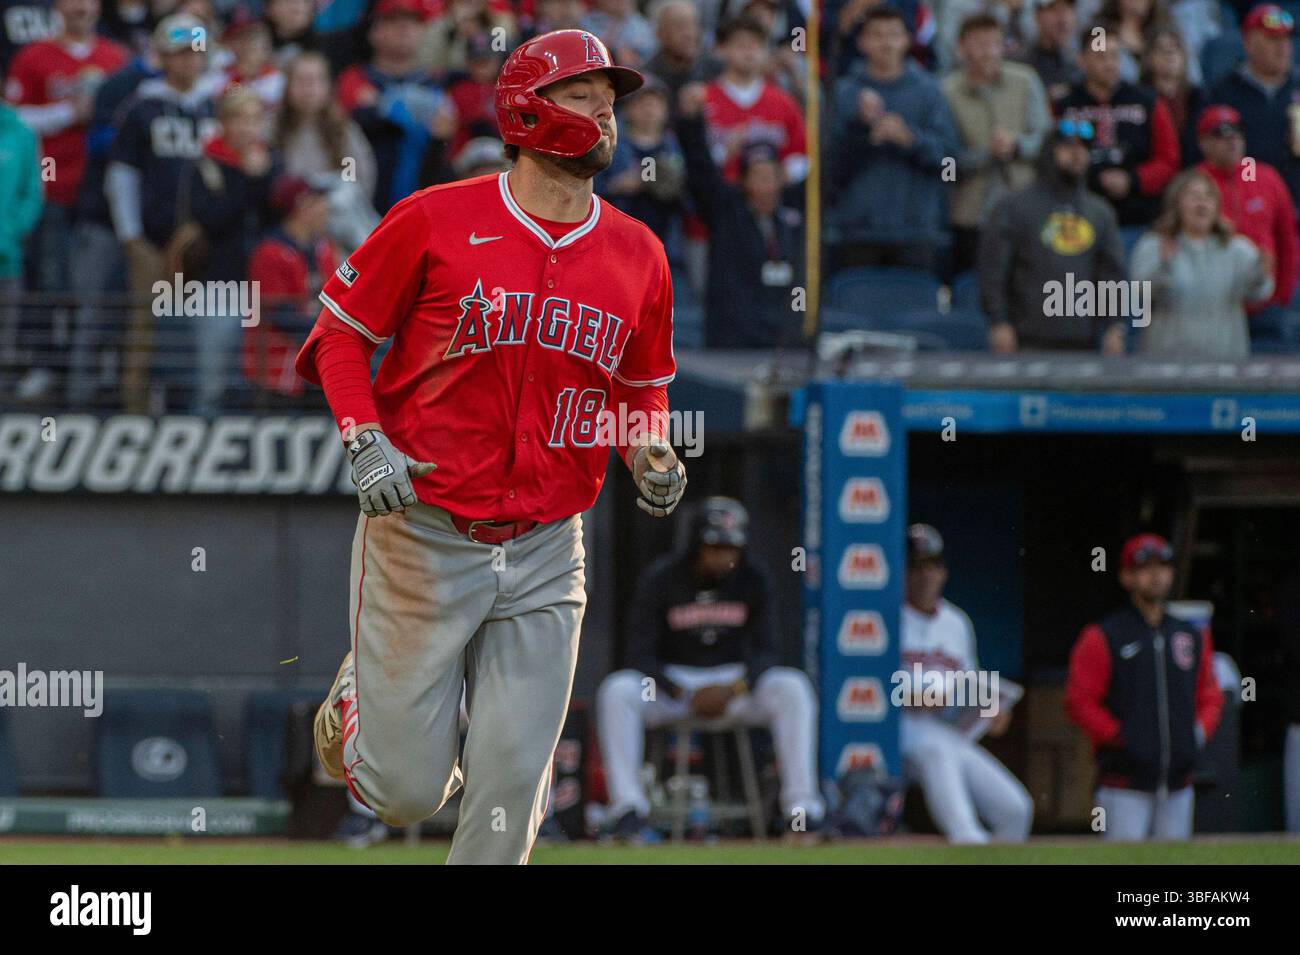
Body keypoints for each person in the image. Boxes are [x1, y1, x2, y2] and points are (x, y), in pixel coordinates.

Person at [297, 29, 687, 866]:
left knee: (512, 785)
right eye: (582, 96)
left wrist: (647, 446)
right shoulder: (434, 217)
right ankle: (358, 699)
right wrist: (365, 439)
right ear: (526, 111)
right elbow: (340, 334)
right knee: (406, 789)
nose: (605, 114)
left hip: (550, 542)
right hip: (425, 530)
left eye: (610, 102)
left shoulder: (639, 252)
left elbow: (640, 387)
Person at [596, 497, 824, 838]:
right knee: (618, 690)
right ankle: (627, 810)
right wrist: (681, 691)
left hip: (734, 687)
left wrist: (733, 689)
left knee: (792, 687)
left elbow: (767, 653)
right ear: (695, 545)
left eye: (731, 548)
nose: (724, 556)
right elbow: (639, 655)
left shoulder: (754, 578)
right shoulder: (662, 578)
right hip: (675, 686)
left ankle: (802, 810)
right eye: (715, 547)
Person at [5, 0, 128, 397]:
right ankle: (45, 363)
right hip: (51, 182)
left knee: (98, 285)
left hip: (102, 193)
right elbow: (15, 119)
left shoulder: (115, 56)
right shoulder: (33, 56)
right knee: (50, 279)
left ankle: (96, 365)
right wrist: (67, 112)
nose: (81, 7)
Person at [1065, 533, 1224, 841]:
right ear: (1126, 576)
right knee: (1124, 862)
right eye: (1144, 568)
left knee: (1173, 865)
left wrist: (1196, 734)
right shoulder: (1105, 634)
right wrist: (1121, 737)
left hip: (1178, 781)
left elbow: (1210, 694)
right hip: (1124, 782)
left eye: (1162, 566)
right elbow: (1079, 702)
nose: (1155, 575)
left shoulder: (1189, 634)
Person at [105, 12, 218, 412]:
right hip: (152, 239)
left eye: (196, 52)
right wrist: (131, 235)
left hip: (204, 242)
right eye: (181, 53)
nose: (190, 61)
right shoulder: (143, 107)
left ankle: (193, 414)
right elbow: (122, 174)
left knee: (198, 330)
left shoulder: (214, 106)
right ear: (163, 56)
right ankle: (135, 413)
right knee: (145, 329)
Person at [899, 523, 1033, 844]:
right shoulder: (887, 617)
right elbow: (868, 687)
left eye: (932, 566)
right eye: (916, 567)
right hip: (902, 727)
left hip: (948, 730)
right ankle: (967, 839)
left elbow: (970, 682)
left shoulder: (956, 622)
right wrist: (914, 697)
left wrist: (992, 711)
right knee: (937, 752)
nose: (925, 575)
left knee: (1016, 809)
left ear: (943, 572)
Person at [826, 5, 959, 273]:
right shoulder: (844, 93)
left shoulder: (929, 91)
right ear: (862, 42)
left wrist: (910, 139)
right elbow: (828, 169)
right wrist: (860, 130)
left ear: (907, 41)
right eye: (877, 35)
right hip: (856, 232)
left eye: (893, 35)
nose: (886, 43)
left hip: (916, 232)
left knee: (917, 299)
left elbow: (951, 166)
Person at [979, 118, 1128, 351]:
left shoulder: (1100, 212)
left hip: (1084, 342)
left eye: (1084, 147)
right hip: (1025, 341)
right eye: (1068, 146)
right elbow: (993, 271)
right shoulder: (1014, 207)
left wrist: (1114, 326)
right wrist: (999, 322)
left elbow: (1113, 275)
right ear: (1049, 152)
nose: (1078, 154)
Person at [676, 80, 803, 348]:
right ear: (743, 181)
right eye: (758, 176)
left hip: (781, 344)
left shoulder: (791, 221)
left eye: (771, 176)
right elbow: (700, 171)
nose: (766, 185)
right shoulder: (725, 211)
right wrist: (692, 122)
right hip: (732, 344)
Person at [185, 85, 277, 415]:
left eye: (254, 119)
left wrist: (262, 177)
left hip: (265, 287)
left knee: (255, 379)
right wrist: (247, 179)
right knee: (213, 382)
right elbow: (213, 220)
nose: (247, 127)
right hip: (219, 285)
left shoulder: (272, 162)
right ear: (223, 123)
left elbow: (278, 219)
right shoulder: (205, 165)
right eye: (239, 119)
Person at [942, 13, 1051, 276]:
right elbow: (945, 164)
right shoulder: (946, 91)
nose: (988, 52)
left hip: (1026, 207)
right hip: (970, 214)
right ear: (961, 47)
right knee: (974, 284)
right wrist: (984, 154)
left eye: (994, 43)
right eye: (979, 44)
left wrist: (1017, 145)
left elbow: (1047, 140)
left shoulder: (1025, 80)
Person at [1130, 168, 1273, 358]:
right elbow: (1140, 292)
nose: (1202, 202)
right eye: (1193, 196)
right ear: (1176, 203)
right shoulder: (1155, 245)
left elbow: (1259, 293)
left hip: (1225, 360)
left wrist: (1260, 274)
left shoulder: (1238, 249)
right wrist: (1164, 267)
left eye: (1208, 196)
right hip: (1167, 361)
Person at [1057, 22, 1180, 225]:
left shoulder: (1147, 101)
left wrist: (1132, 180)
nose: (1109, 64)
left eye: (1114, 56)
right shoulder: (1065, 105)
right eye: (1101, 57)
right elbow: (1054, 157)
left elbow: (1169, 159)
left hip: (1140, 216)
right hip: (1079, 214)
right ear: (1081, 61)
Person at [336, 0, 452, 212]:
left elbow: (446, 140)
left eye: (414, 22)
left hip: (423, 203)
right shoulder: (354, 79)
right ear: (373, 32)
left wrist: (382, 105)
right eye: (393, 21)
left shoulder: (437, 83)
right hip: (364, 205)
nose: (405, 28)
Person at [243, 174, 338, 404]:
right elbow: (280, 314)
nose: (326, 208)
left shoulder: (323, 249)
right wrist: (330, 334)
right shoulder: (270, 253)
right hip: (278, 375)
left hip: (317, 367)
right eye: (318, 201)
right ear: (301, 207)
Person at [1194, 104, 1297, 313]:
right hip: (1215, 305)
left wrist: (1282, 295)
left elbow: (1287, 239)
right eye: (1220, 134)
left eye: (1237, 131)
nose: (1232, 139)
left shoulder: (1265, 177)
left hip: (1267, 300)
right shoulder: (1194, 183)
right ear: (1204, 142)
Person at [274, 50, 378, 253]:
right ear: (288, 87)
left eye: (316, 81)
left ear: (327, 86)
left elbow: (357, 178)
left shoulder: (343, 131)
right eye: (302, 81)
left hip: (338, 229)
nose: (309, 89)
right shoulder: (274, 131)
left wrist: (328, 202)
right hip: (291, 228)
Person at [1206, 4, 1300, 213]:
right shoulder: (1225, 92)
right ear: (1248, 42)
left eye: (1286, 39)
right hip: (1248, 204)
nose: (1283, 47)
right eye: (1273, 39)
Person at [703, 14, 807, 186]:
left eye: (756, 45)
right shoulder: (704, 99)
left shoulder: (783, 101)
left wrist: (782, 176)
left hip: (771, 196)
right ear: (722, 49)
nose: (749, 52)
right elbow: (691, 160)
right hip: (717, 193)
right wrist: (722, 154)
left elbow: (800, 154)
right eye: (741, 45)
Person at [596, 75, 686, 242]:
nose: (649, 110)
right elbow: (591, 190)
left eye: (655, 103)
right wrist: (616, 186)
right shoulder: (609, 143)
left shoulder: (672, 144)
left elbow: (685, 196)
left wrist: (665, 181)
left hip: (663, 234)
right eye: (642, 103)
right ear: (628, 109)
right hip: (618, 232)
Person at [0, 98, 43, 379]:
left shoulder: (21, 133)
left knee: (5, 342)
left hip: (7, 257)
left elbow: (33, 192)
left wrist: (11, 232)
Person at [641, 0, 722, 121]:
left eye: (692, 25)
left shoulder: (717, 68)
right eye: (679, 26)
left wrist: (711, 95)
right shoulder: (647, 77)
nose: (688, 34)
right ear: (660, 33)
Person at [1142, 26, 1204, 166]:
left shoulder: (1198, 98)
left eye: (1175, 48)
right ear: (1149, 58)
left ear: (1184, 57)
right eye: (1161, 49)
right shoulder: (1138, 100)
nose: (1169, 54)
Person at [1018, 0, 1079, 103]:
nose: (1062, 19)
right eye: (1054, 10)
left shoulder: (1080, 64)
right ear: (1037, 17)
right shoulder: (1022, 65)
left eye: (1067, 9)